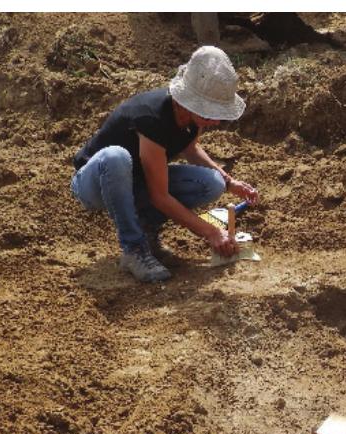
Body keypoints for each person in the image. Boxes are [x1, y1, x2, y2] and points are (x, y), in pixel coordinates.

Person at [70, 46, 259, 283]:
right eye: (211, 112)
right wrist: (211, 233)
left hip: (136, 183)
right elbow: (159, 197)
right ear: (191, 102)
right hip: (94, 185)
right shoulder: (152, 118)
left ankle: (147, 229)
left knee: (212, 183)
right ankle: (133, 248)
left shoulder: (188, 117)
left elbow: (191, 148)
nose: (217, 120)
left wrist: (229, 182)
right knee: (116, 157)